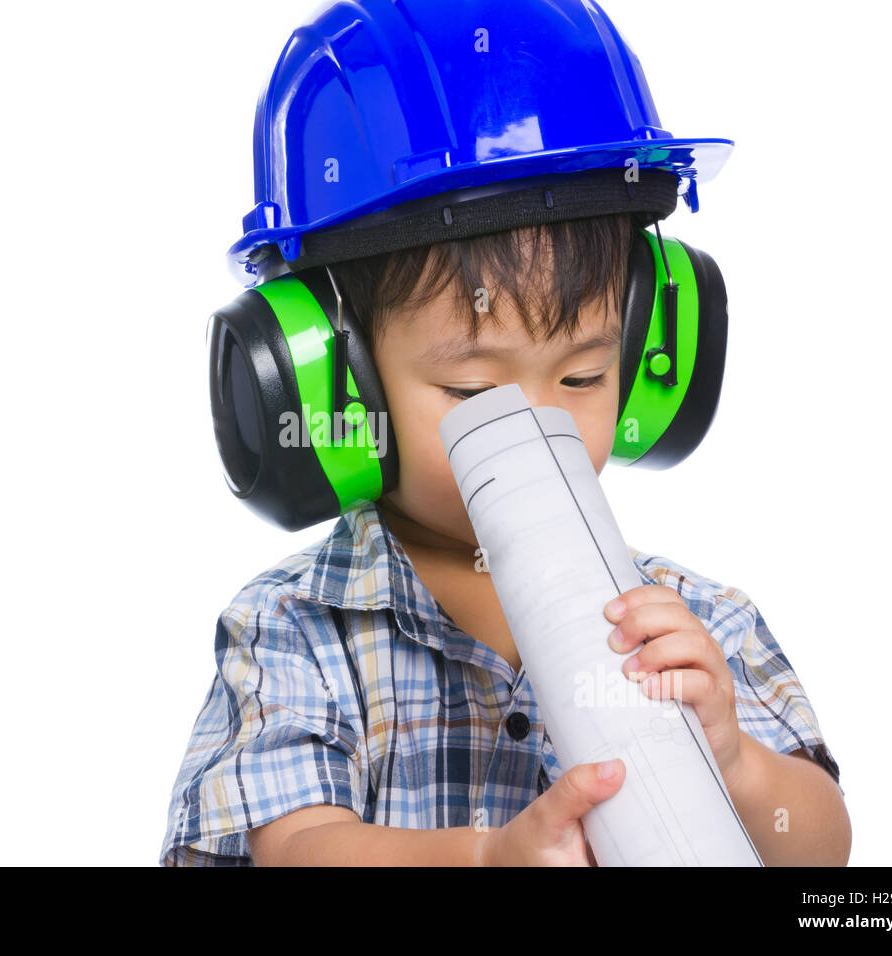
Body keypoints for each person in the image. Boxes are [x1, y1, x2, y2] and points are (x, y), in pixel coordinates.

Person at [160, 0, 849, 866]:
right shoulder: (294, 630)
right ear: (331, 379)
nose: (535, 423)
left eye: (585, 376)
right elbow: (299, 850)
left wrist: (736, 761)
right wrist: (485, 861)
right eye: (471, 387)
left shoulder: (698, 623)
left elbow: (817, 849)